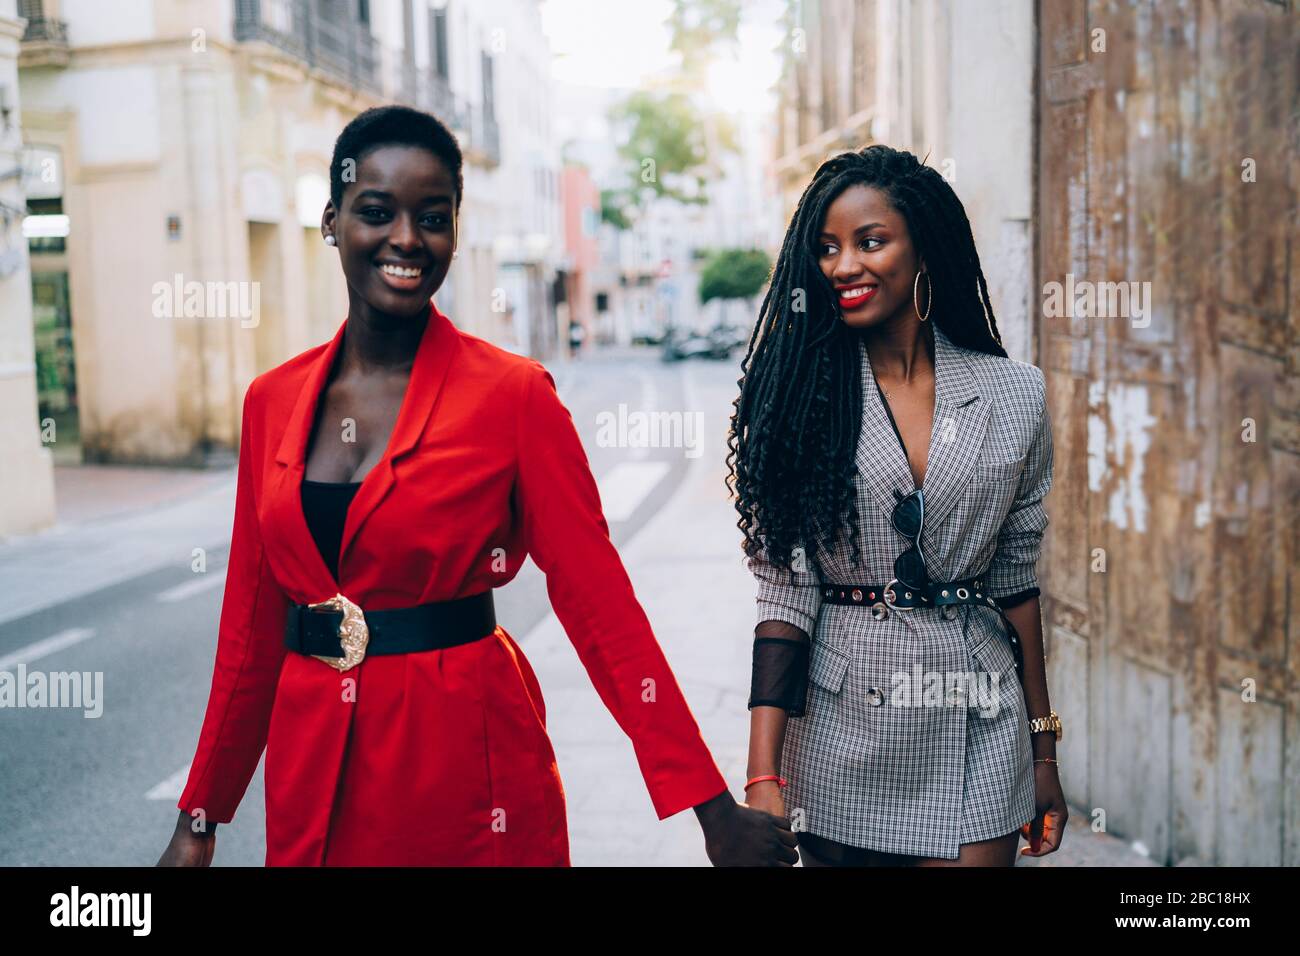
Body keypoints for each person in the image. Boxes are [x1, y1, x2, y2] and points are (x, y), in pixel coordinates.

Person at [157, 105, 797, 867]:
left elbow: (600, 606)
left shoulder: (513, 396)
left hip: (467, 773)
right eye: (376, 212)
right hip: (312, 776)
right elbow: (250, 630)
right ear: (331, 222)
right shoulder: (272, 401)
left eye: (432, 217)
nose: (406, 238)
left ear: (455, 232)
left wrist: (709, 805)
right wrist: (200, 818)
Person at [727, 144, 1067, 866]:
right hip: (845, 730)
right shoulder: (797, 396)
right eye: (826, 249)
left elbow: (1016, 583)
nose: (843, 265)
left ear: (923, 249)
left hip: (978, 712)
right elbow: (783, 597)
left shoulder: (1015, 393)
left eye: (870, 241)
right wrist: (763, 776)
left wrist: (1044, 752)